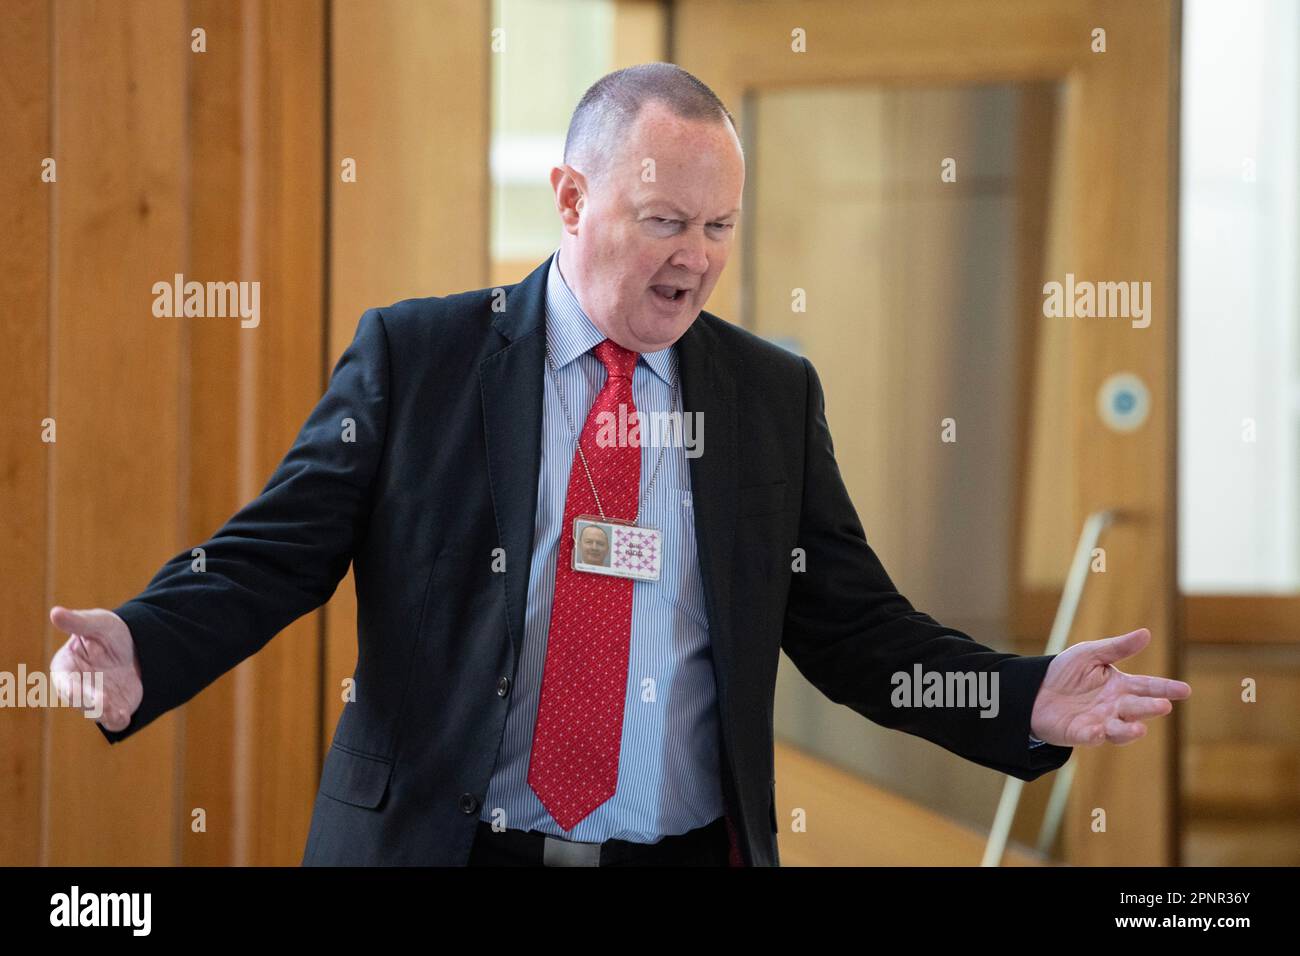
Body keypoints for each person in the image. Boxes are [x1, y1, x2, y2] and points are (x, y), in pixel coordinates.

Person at [48, 62, 1190, 867]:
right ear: (570, 198)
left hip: (680, 855)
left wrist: (1020, 695)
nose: (695, 258)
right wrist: (146, 638)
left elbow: (851, 627)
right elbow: (275, 553)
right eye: (662, 221)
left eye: (719, 227)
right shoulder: (422, 356)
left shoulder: (766, 394)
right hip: (447, 850)